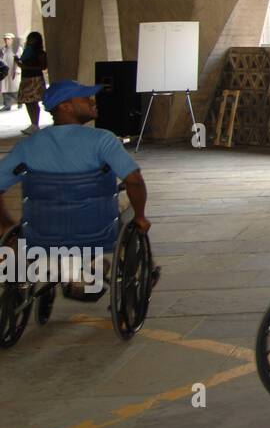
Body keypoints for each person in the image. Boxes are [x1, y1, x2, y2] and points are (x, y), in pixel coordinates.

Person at [0, 80, 157, 294]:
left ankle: (72, 268)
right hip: (97, 232)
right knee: (127, 202)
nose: (93, 101)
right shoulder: (103, 140)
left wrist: (6, 223)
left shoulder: (28, 146)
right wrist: (141, 216)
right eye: (85, 98)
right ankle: (94, 267)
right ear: (66, 106)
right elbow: (134, 179)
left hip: (41, 232)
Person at [17, 31, 48, 135]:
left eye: (33, 39)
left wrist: (27, 67)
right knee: (28, 102)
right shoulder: (27, 52)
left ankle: (35, 124)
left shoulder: (40, 53)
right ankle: (33, 124)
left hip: (35, 79)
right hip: (26, 78)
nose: (30, 41)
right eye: (30, 38)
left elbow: (43, 66)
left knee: (33, 102)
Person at [1, 33, 20, 110]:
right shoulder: (3, 50)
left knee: (15, 87)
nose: (6, 41)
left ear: (12, 40)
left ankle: (20, 102)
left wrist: (17, 69)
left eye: (8, 39)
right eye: (5, 39)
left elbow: (20, 60)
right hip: (5, 72)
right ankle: (7, 104)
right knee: (5, 88)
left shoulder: (17, 49)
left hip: (14, 71)